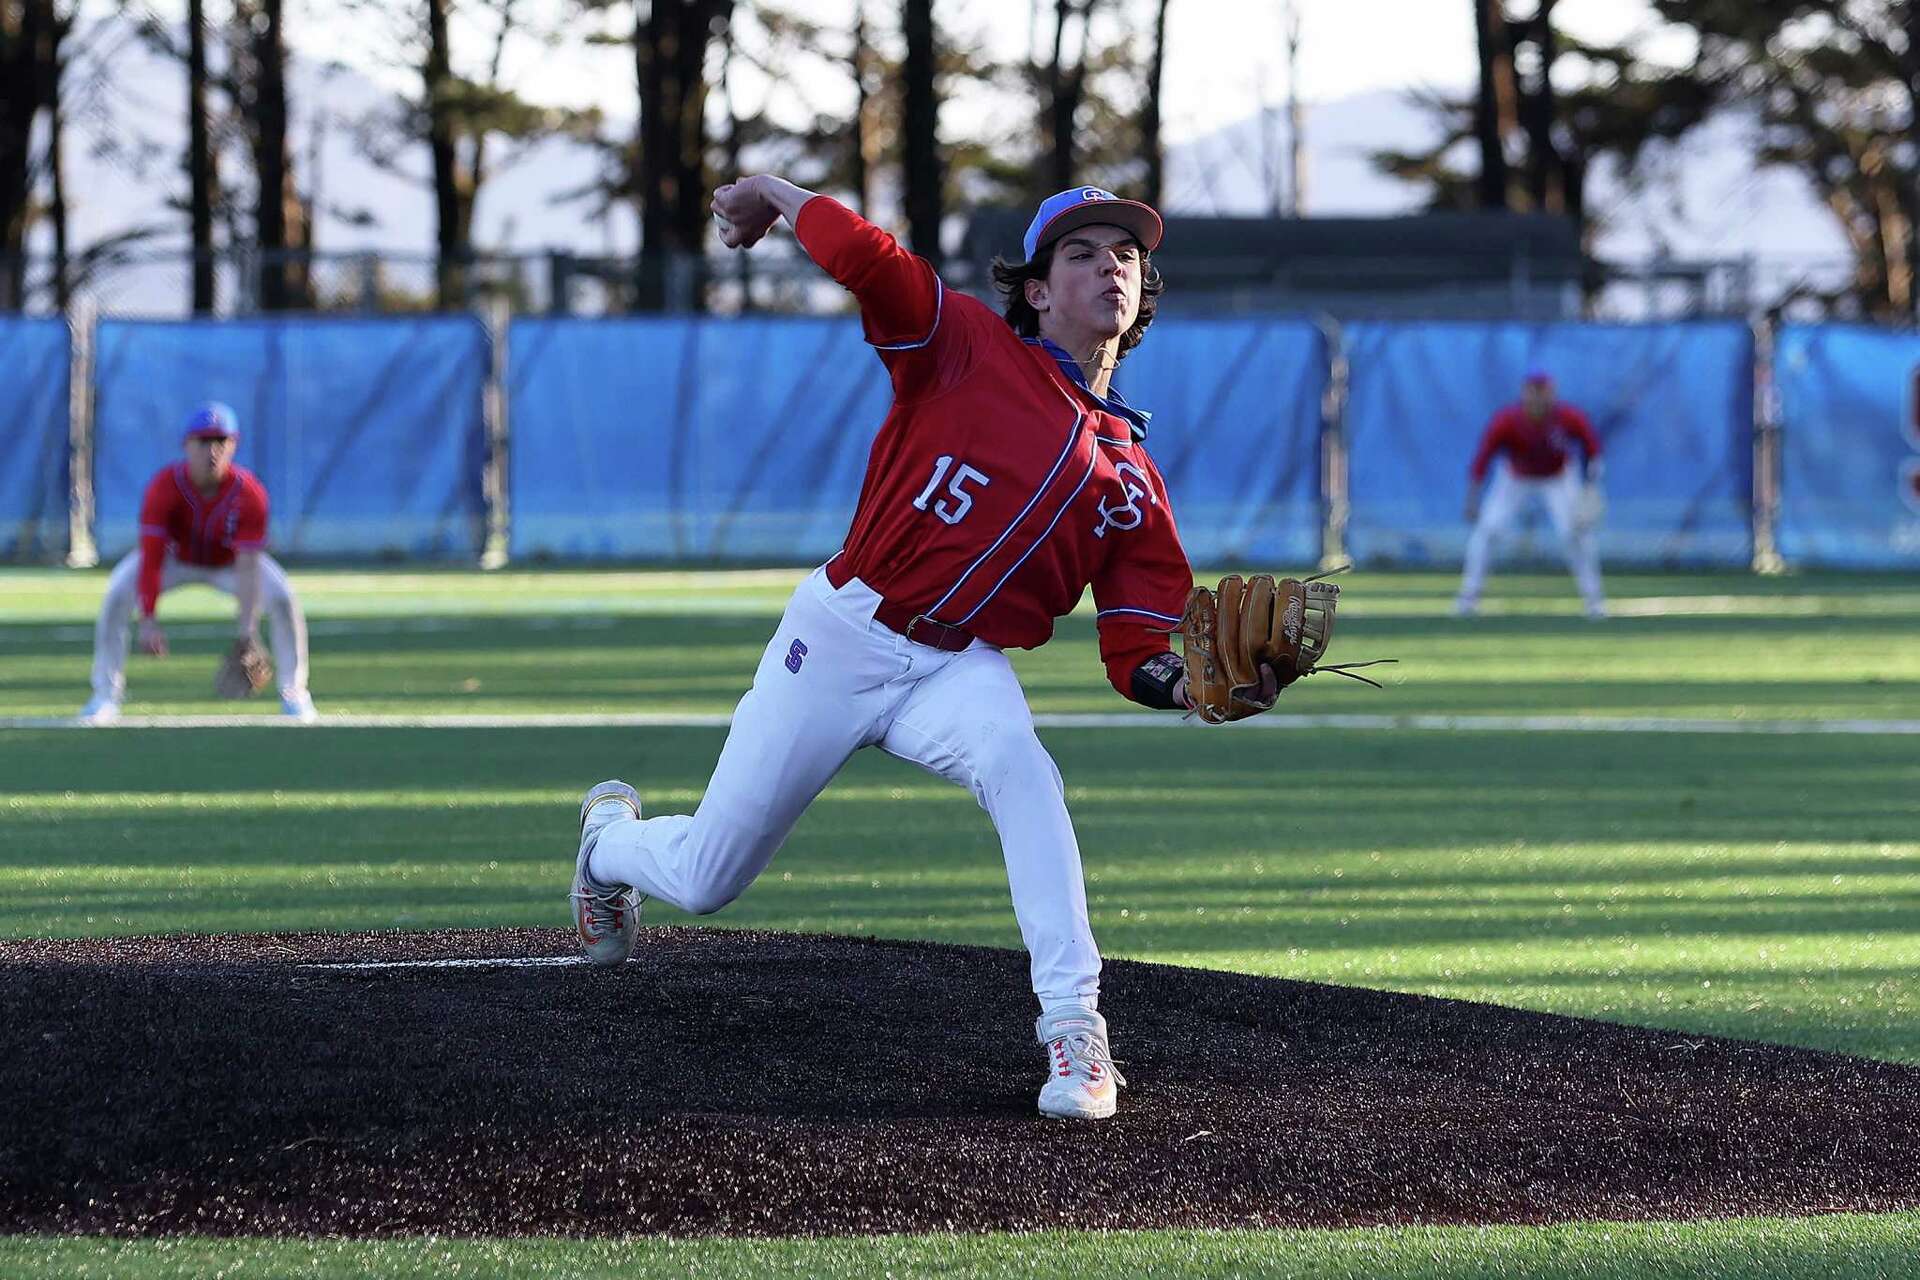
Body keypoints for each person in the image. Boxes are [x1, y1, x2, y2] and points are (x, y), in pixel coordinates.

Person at [570, 180, 1261, 1122]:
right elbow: (872, 259)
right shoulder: (965, 347)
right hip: (845, 632)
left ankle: (1075, 1029)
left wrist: (1198, 687)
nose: (1112, 265)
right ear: (1036, 291)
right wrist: (774, 194)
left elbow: (1137, 642)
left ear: (1142, 296)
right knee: (705, 879)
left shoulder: (1133, 478)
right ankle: (609, 843)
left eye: (1128, 255)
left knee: (1026, 771)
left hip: (957, 664)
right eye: (1082, 252)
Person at [80, 403, 318, 724]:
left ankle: (295, 694)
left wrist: (247, 631)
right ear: (186, 445)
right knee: (117, 593)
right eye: (203, 441)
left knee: (282, 598)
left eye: (221, 441)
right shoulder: (165, 486)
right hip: (173, 560)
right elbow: (151, 554)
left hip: (229, 565)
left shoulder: (250, 493)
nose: (212, 450)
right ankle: (105, 696)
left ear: (234, 445)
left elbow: (248, 563)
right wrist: (148, 619)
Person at [1454, 371, 1607, 619]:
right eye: (1532, 391)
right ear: (1524, 393)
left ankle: (1595, 602)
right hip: (1516, 476)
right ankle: (1467, 599)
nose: (1537, 398)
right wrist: (1472, 499)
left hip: (1558, 476)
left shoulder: (1568, 417)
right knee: (1487, 531)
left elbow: (1593, 448)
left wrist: (1591, 485)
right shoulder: (1507, 420)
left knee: (1575, 534)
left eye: (1543, 391)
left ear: (1552, 393)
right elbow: (1482, 459)